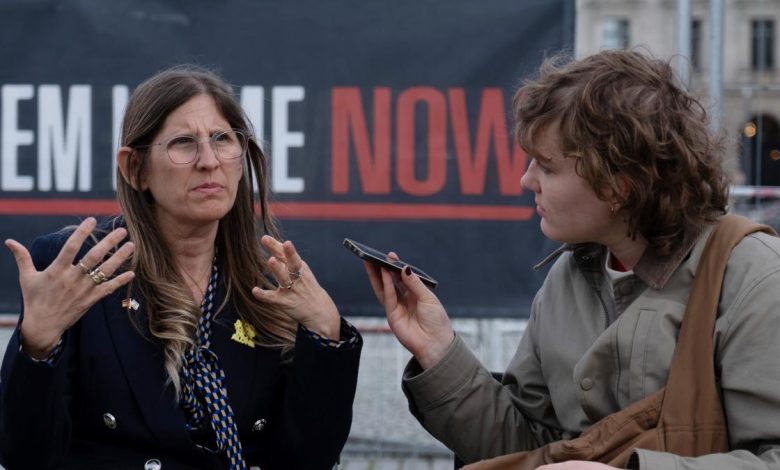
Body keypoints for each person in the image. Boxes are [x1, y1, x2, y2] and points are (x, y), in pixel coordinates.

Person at [363, 50, 780, 469]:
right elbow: (524, 447)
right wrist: (439, 352)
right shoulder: (568, 277)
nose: (527, 181)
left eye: (547, 167)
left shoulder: (752, 276)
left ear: (619, 184)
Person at [0, 66, 362, 470]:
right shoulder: (82, 269)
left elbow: (305, 460)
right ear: (135, 169)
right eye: (184, 143)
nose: (209, 161)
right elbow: (26, 456)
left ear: (241, 159)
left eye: (222, 139)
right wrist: (37, 346)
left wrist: (327, 338)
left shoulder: (268, 286)